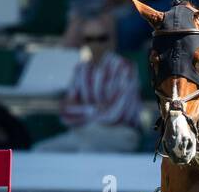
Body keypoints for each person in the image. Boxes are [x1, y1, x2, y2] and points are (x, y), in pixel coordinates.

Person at [36, 15, 142, 152]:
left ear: (110, 39)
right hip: (84, 131)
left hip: (121, 133)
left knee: (85, 151)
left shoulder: (124, 68)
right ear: (84, 41)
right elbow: (66, 113)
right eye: (89, 39)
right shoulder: (81, 70)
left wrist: (82, 111)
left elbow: (117, 115)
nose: (96, 44)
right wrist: (96, 109)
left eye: (101, 38)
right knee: (42, 150)